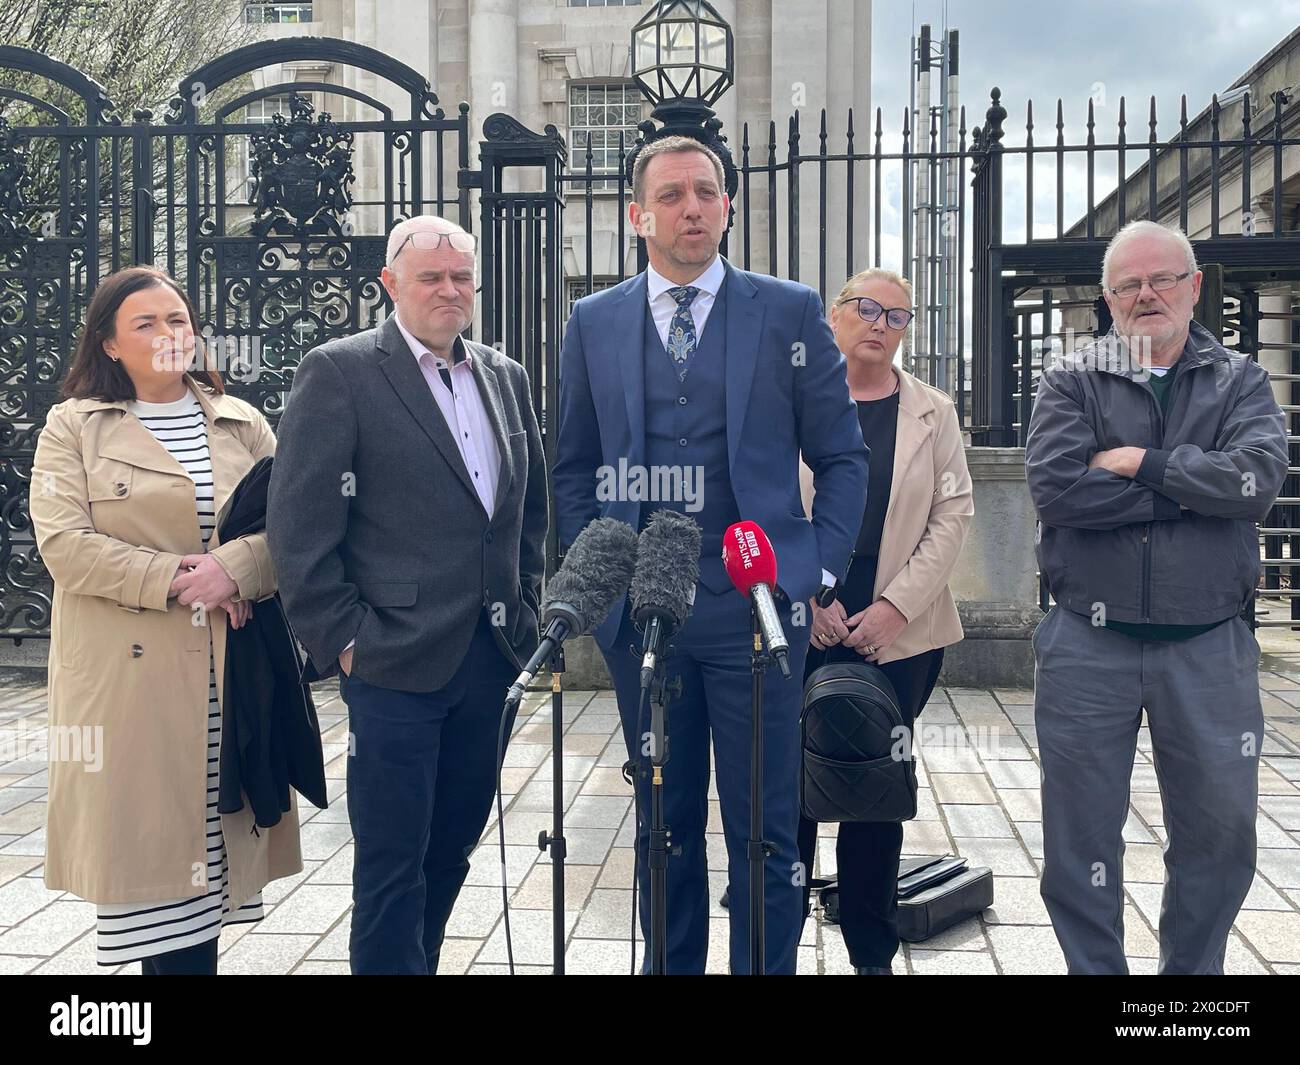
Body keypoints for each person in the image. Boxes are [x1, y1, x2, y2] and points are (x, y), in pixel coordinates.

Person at [553, 135, 869, 974]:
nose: (693, 206)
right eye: (673, 194)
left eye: (707, 192)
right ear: (638, 214)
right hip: (645, 615)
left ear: (728, 206)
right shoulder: (594, 321)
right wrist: (605, 569)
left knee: (764, 829)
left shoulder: (789, 310)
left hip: (758, 609)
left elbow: (842, 456)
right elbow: (573, 466)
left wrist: (818, 570)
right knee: (663, 825)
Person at [268, 215, 548, 974]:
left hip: (490, 660)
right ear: (391, 284)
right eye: (431, 276)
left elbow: (528, 513)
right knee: (393, 861)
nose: (449, 290)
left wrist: (523, 612)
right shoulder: (341, 371)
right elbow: (298, 526)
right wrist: (347, 638)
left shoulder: (505, 374)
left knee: (454, 842)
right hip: (391, 661)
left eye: (461, 277)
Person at [1024, 219, 1287, 974]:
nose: (1147, 295)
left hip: (1209, 645)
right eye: (1128, 284)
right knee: (1079, 842)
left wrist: (1140, 461)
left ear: (1194, 285)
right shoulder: (1071, 378)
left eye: (1162, 278)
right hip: (1086, 644)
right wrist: (1192, 488)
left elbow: (1257, 482)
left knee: (1221, 836)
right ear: (1108, 299)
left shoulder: (1242, 380)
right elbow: (1059, 491)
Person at [30, 265, 299, 975]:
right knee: (153, 879)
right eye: (145, 323)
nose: (167, 334)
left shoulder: (242, 422)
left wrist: (236, 568)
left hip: (229, 675)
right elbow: (64, 545)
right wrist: (183, 578)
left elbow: (296, 526)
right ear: (109, 344)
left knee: (210, 869)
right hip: (130, 686)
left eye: (177, 319)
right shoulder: (73, 427)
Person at [798, 267, 973, 974]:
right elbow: (757, 498)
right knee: (788, 784)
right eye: (866, 308)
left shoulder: (935, 411)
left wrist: (897, 607)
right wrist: (802, 593)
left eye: (896, 315)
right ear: (834, 314)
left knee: (875, 785)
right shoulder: (791, 401)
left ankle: (871, 948)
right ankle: (773, 930)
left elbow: (952, 512)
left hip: (901, 630)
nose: (879, 323)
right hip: (800, 615)